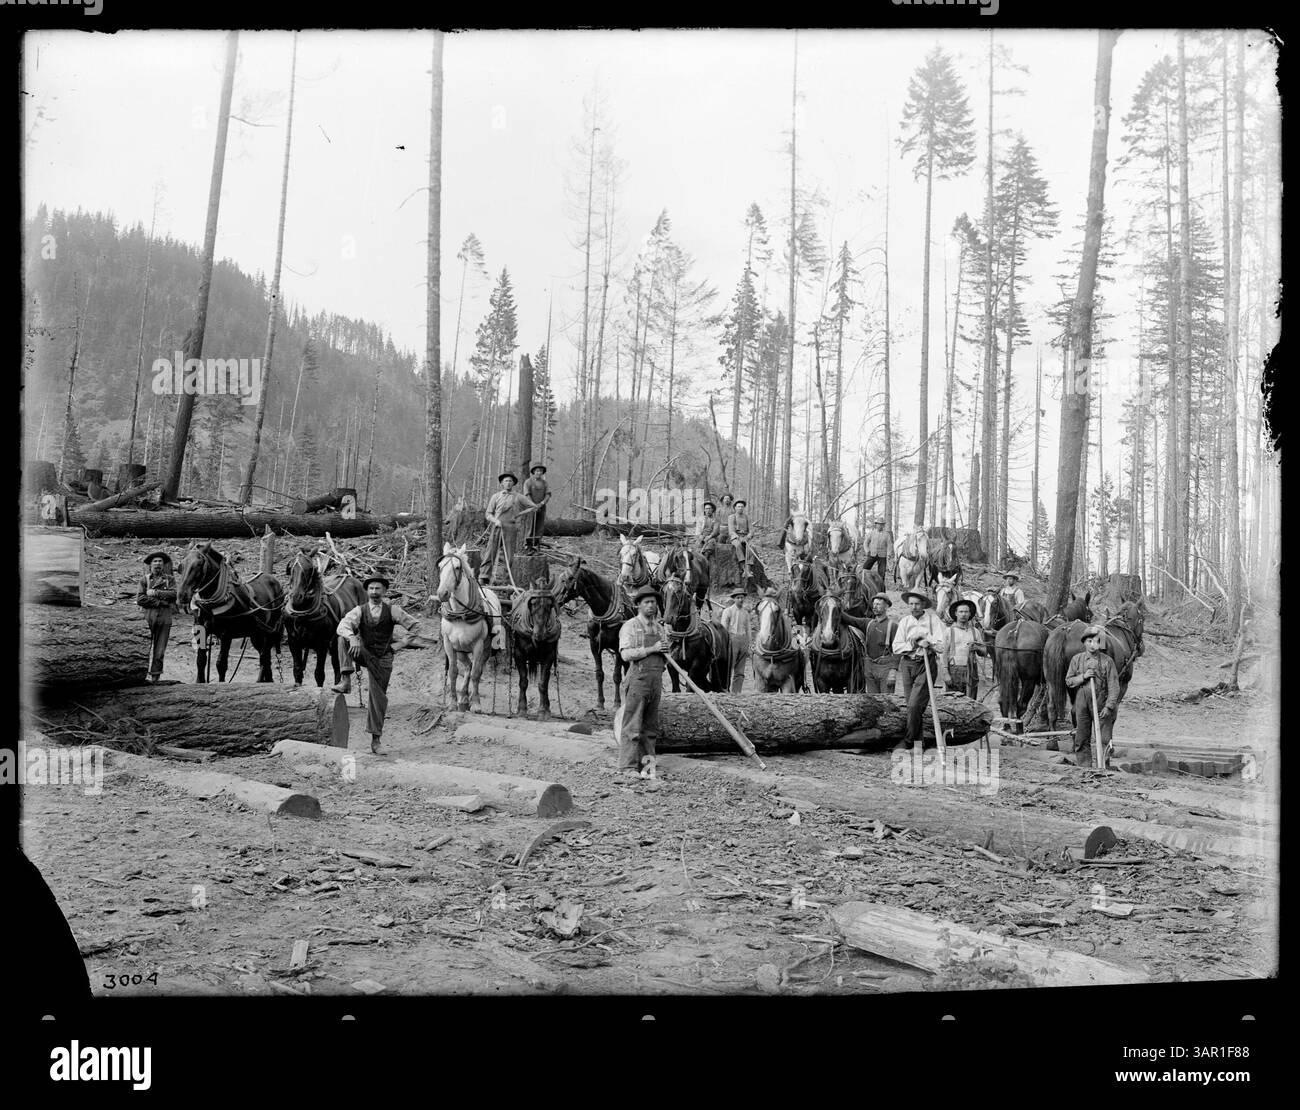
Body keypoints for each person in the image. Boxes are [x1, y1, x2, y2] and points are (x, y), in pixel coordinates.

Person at [332, 576, 423, 755]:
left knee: (378, 698)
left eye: (378, 589)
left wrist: (402, 643)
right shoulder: (360, 610)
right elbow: (343, 625)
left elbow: (416, 626)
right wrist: (353, 637)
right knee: (342, 638)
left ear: (384, 592)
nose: (374, 592)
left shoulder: (393, 610)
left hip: (383, 658)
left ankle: (376, 740)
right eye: (371, 589)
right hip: (363, 653)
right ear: (367, 591)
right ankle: (345, 679)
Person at [617, 585, 668, 778]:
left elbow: (665, 656)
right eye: (646, 602)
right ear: (638, 605)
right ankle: (628, 767)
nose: (650, 606)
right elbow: (625, 654)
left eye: (653, 602)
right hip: (638, 680)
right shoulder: (630, 626)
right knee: (632, 726)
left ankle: (647, 768)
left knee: (650, 729)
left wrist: (664, 651)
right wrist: (651, 649)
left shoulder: (660, 629)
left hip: (655, 682)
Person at [891, 587, 950, 751]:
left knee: (915, 705)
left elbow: (942, 646)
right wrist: (913, 642)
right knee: (912, 705)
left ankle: (908, 741)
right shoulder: (904, 622)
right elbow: (896, 647)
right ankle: (920, 742)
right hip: (908, 663)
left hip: (926, 664)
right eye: (911, 604)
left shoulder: (933, 621)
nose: (914, 607)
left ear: (923, 604)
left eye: (917, 604)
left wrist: (928, 642)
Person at [1065, 624, 1120, 768]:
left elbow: (1114, 686)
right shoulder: (1077, 660)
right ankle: (1085, 766)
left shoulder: (1108, 661)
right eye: (1089, 641)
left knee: (1104, 738)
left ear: (1100, 643)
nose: (1092, 645)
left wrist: (1109, 706)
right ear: (1084, 642)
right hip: (1082, 701)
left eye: (1096, 641)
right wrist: (1083, 676)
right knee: (1082, 737)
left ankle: (1104, 765)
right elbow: (1069, 681)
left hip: (1101, 702)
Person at [481, 472, 542, 585]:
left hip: (511, 528)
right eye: (506, 481)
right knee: (490, 551)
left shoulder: (518, 497)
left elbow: (534, 507)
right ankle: (484, 576)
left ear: (513, 483)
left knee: (508, 555)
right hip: (497, 527)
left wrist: (519, 514)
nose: (508, 483)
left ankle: (504, 579)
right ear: (501, 483)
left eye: (510, 481)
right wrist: (496, 521)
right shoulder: (496, 496)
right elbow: (488, 514)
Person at [136, 551, 178, 684]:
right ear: (150, 565)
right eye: (155, 561)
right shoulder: (145, 580)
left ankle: (155, 677)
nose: (158, 564)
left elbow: (174, 594)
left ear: (164, 565)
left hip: (164, 618)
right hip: (148, 616)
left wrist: (155, 592)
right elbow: (140, 599)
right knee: (143, 647)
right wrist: (160, 602)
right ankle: (139, 676)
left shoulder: (169, 579)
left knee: (160, 650)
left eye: (160, 561)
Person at [945, 598, 985, 699]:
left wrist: (977, 647)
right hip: (954, 670)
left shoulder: (975, 632)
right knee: (952, 702)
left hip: (972, 671)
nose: (963, 614)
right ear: (956, 613)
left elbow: (984, 652)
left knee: (970, 701)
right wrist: (945, 673)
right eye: (961, 612)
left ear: (970, 614)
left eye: (966, 612)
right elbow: (943, 654)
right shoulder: (949, 631)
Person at [718, 587, 753, 694]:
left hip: (743, 640)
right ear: (734, 599)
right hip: (731, 640)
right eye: (738, 598)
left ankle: (737, 692)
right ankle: (725, 689)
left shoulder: (745, 613)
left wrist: (749, 643)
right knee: (729, 667)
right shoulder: (728, 611)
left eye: (742, 598)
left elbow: (748, 628)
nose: (741, 600)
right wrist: (725, 643)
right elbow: (724, 628)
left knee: (740, 670)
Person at [521, 464, 551, 554]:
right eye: (537, 471)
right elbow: (527, 494)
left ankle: (536, 546)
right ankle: (527, 546)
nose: (539, 473)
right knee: (530, 526)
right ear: (533, 472)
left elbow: (548, 494)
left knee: (539, 526)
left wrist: (541, 503)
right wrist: (533, 505)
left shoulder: (545, 483)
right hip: (530, 507)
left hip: (541, 507)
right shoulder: (528, 482)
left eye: (540, 471)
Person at [728, 498, 752, 580]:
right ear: (735, 508)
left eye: (742, 507)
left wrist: (747, 537)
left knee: (751, 548)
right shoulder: (732, 517)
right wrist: (738, 537)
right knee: (738, 546)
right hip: (735, 537)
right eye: (738, 506)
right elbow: (731, 531)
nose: (740, 508)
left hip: (745, 537)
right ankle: (743, 567)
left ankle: (748, 569)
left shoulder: (747, 517)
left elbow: (751, 530)